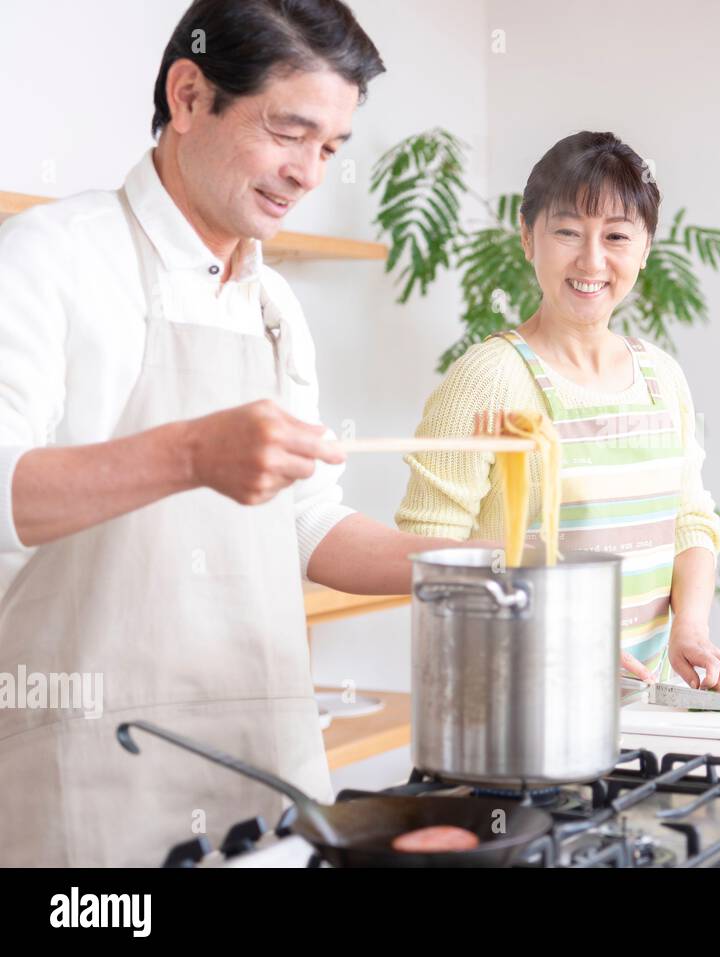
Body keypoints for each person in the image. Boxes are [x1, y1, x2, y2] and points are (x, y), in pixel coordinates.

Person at [0, 0, 465, 866]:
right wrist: (188, 453)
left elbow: (307, 522)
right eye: (288, 133)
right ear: (188, 95)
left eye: (329, 149)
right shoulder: (48, 258)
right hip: (93, 779)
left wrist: (481, 564)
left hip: (267, 768)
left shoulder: (274, 307)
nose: (308, 174)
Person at [396, 131, 720, 693]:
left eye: (617, 236)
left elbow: (690, 519)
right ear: (528, 237)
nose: (592, 260)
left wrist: (690, 629)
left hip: (640, 710)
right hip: (513, 711)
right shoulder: (486, 379)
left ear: (646, 247)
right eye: (567, 232)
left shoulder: (662, 377)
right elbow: (430, 562)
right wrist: (559, 645)